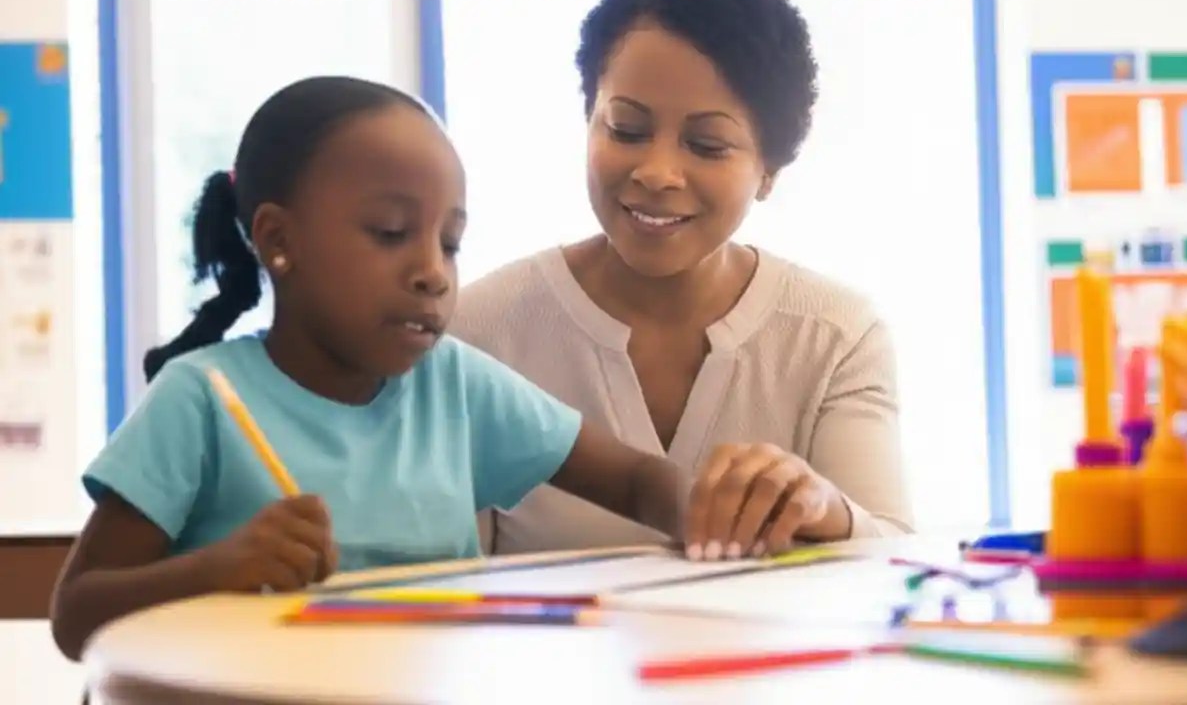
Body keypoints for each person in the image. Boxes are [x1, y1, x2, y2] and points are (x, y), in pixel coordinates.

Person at [49, 76, 852, 661]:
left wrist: (727, 509)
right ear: (276, 239)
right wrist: (215, 572)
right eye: (392, 231)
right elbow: (76, 614)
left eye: (451, 242)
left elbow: (639, 483)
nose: (434, 272)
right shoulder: (202, 399)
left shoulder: (453, 384)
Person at [451, 0, 914, 556]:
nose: (658, 172)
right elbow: (442, 593)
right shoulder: (475, 333)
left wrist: (826, 508)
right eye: (626, 130)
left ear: (768, 170)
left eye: (707, 144)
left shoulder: (837, 336)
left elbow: (896, 560)